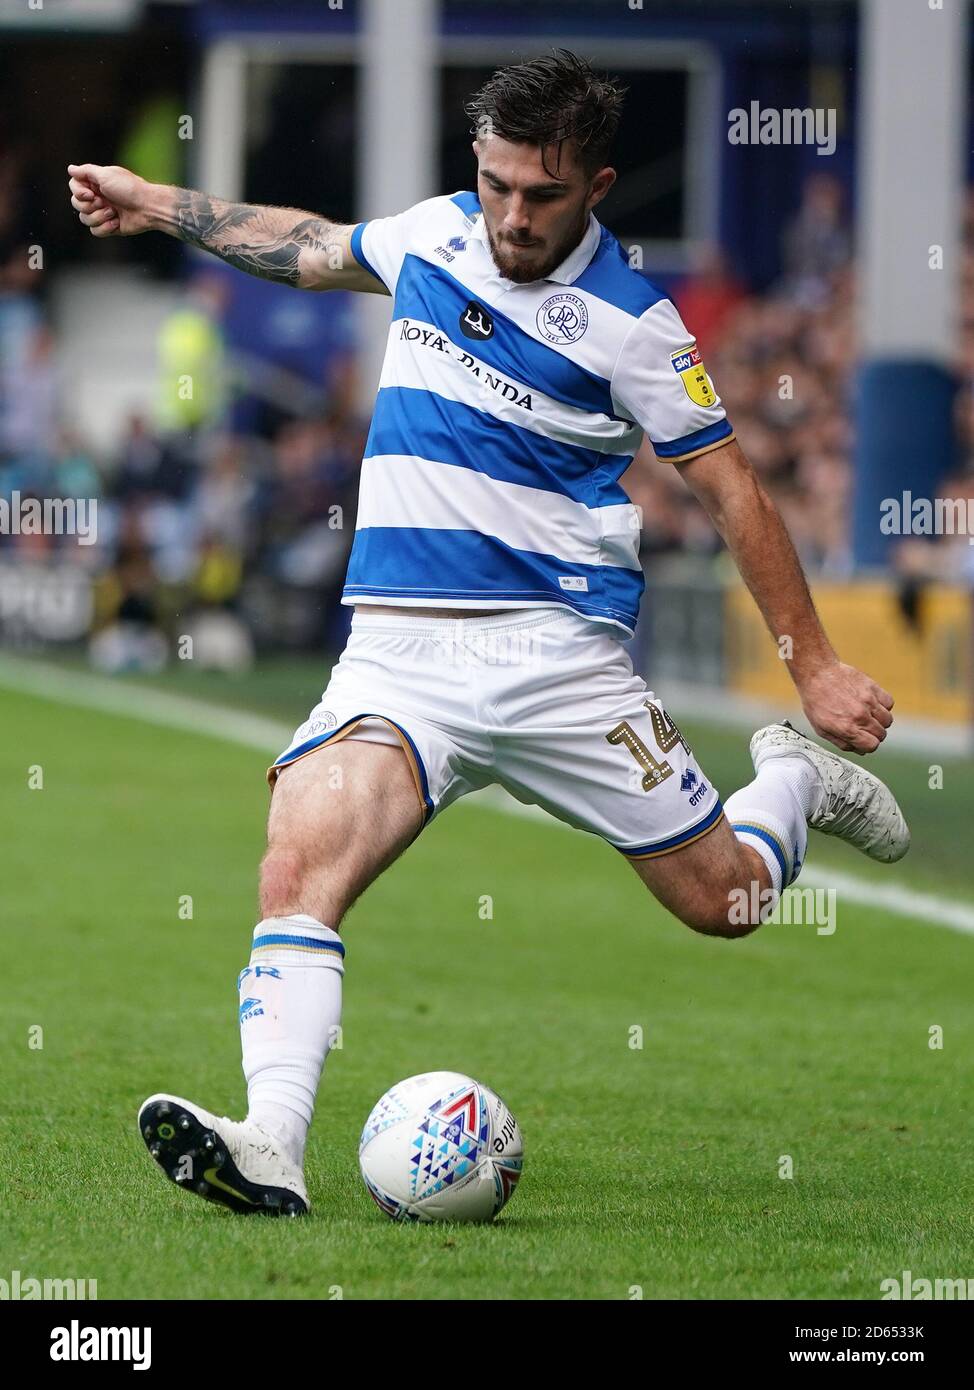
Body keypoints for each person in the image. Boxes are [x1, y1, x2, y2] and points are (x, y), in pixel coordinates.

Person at [68, 50, 908, 1219]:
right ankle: (270, 1141)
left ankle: (787, 784)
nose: (513, 215)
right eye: (497, 183)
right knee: (295, 866)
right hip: (397, 652)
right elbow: (305, 244)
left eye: (542, 195)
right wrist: (153, 201)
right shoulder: (435, 234)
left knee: (726, 901)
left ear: (597, 183)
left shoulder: (632, 326)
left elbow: (734, 495)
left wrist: (810, 667)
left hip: (555, 656)